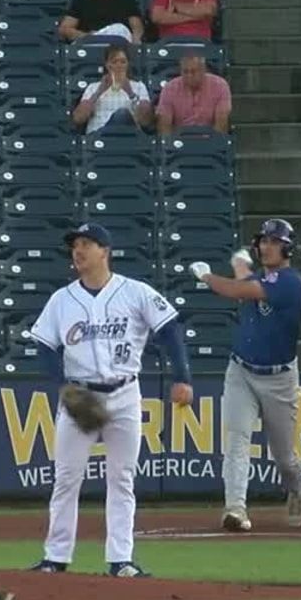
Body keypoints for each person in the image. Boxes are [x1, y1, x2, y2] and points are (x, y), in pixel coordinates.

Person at [26, 224, 193, 577]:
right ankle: (56, 557)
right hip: (80, 394)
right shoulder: (62, 299)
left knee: (122, 478)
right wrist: (61, 386)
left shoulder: (135, 292)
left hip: (124, 393)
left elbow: (169, 329)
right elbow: (43, 345)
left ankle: (121, 559)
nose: (78, 250)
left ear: (106, 250)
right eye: (75, 244)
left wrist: (182, 377)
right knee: (67, 478)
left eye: (86, 244)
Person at [189, 219, 301, 532]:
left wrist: (205, 275)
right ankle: (235, 508)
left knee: (283, 456)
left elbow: (235, 288)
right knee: (237, 438)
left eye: (273, 241)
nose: (266, 246)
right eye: (263, 241)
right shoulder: (266, 277)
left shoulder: (291, 283)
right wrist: (240, 261)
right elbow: (247, 279)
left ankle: (297, 487)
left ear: (287, 247)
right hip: (241, 370)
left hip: (279, 379)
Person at [72, 44, 154, 135]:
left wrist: (130, 93)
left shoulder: (139, 87)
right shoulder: (93, 87)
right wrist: (99, 92)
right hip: (99, 135)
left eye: (123, 62)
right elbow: (78, 118)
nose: (119, 66)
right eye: (114, 62)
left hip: (129, 135)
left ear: (128, 65)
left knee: (122, 114)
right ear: (107, 65)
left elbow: (146, 121)